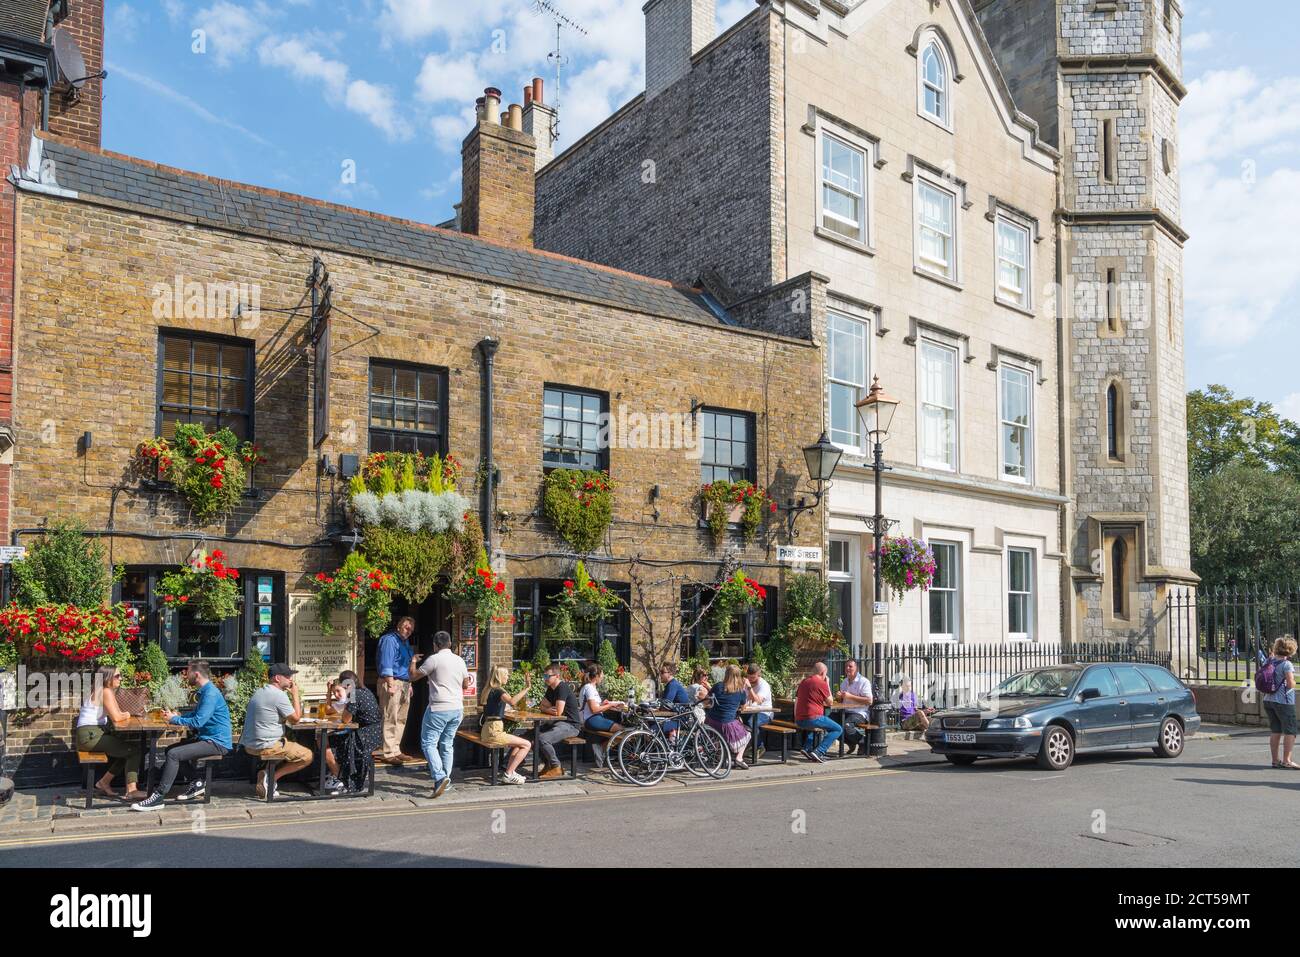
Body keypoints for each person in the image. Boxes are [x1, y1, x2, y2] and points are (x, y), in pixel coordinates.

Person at [132, 660, 232, 810]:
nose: (186, 675)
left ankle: (158, 797)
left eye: (188, 671)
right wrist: (178, 715)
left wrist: (174, 719)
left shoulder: (210, 693)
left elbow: (198, 722)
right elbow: (197, 713)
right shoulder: (206, 691)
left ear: (196, 674)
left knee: (173, 754)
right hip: (207, 738)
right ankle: (197, 783)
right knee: (169, 750)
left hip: (217, 742)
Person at [240, 663, 312, 799]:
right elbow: (296, 719)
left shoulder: (260, 691)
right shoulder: (278, 695)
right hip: (266, 745)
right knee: (307, 756)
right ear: (277, 678)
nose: (291, 679)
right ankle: (272, 779)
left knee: (284, 742)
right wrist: (295, 695)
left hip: (250, 744)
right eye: (288, 676)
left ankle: (265, 774)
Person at [413, 630, 470, 798]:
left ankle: (440, 777)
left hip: (439, 708)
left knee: (429, 744)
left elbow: (413, 676)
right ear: (450, 643)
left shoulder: (434, 659)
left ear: (435, 645)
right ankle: (447, 780)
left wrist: (413, 661)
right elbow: (466, 685)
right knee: (447, 744)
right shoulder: (460, 660)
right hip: (457, 709)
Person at [77, 666, 145, 801]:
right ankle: (132, 791)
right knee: (134, 751)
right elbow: (117, 717)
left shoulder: (104, 690)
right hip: (90, 736)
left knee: (126, 751)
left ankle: (104, 782)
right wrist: (128, 714)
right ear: (107, 678)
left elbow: (118, 713)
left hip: (89, 734)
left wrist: (122, 714)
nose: (120, 678)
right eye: (117, 676)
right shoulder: (105, 691)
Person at [322, 671, 382, 793]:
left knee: (324, 741)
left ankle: (342, 779)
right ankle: (338, 776)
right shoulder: (364, 691)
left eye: (344, 687)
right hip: (373, 732)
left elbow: (345, 719)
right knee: (327, 739)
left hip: (367, 735)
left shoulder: (355, 695)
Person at [479, 666, 532, 785]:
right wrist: (527, 688)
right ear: (500, 676)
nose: (508, 677)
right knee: (527, 744)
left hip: (487, 729)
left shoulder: (489, 689)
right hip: (494, 731)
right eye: (507, 674)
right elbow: (512, 702)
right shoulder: (499, 690)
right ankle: (508, 774)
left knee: (518, 745)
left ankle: (511, 772)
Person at [375, 616, 416, 765]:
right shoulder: (389, 640)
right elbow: (386, 662)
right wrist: (390, 684)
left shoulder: (405, 643)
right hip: (392, 681)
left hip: (404, 682)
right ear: (398, 626)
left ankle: (395, 750)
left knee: (401, 718)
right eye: (406, 627)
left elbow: (405, 666)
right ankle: (386, 752)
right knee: (389, 716)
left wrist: (409, 684)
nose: (408, 631)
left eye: (411, 629)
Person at [533, 664, 582, 780]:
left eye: (547, 676)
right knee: (533, 736)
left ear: (557, 676)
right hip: (558, 724)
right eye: (544, 676)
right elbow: (542, 705)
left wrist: (547, 709)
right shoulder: (551, 688)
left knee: (542, 739)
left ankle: (556, 767)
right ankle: (548, 765)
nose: (545, 678)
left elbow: (558, 712)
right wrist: (546, 709)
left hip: (571, 726)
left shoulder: (562, 688)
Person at [705, 664, 752, 770]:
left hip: (711, 721)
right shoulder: (741, 691)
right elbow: (743, 707)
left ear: (726, 674)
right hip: (727, 723)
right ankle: (739, 758)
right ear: (738, 675)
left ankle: (721, 757)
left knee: (719, 737)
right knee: (748, 733)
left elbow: (707, 700)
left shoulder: (718, 686)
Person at [1261, 636, 1298, 769]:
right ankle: (1287, 760)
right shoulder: (1286, 664)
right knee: (1290, 730)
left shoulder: (1269, 660)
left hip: (1268, 700)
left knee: (1275, 730)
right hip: (1284, 701)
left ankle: (1275, 760)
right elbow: (1290, 684)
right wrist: (1294, 682)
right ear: (1291, 650)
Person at [795, 662, 841, 763]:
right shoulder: (820, 683)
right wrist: (827, 683)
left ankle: (806, 748)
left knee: (817, 725)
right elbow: (830, 702)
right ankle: (819, 751)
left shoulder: (804, 682)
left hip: (799, 720)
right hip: (813, 718)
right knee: (837, 729)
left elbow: (797, 699)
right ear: (823, 672)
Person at [837, 659, 874, 755]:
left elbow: (869, 700)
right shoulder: (844, 682)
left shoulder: (863, 681)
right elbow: (841, 701)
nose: (847, 668)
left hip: (859, 713)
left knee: (846, 725)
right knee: (829, 722)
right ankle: (851, 743)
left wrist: (850, 696)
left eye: (850, 666)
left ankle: (863, 742)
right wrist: (839, 697)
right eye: (846, 667)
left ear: (856, 668)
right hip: (846, 711)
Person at [579, 665, 626, 734]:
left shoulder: (590, 687)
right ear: (596, 676)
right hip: (591, 719)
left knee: (617, 731)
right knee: (622, 729)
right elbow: (594, 710)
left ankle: (605, 745)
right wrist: (610, 705)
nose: (602, 677)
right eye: (602, 674)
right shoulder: (589, 688)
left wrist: (602, 704)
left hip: (592, 718)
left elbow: (590, 706)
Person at [744, 663, 774, 752]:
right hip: (750, 712)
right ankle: (746, 746)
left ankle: (759, 746)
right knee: (736, 720)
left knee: (751, 722)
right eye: (749, 677)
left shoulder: (764, 685)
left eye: (753, 678)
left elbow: (758, 700)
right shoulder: (747, 683)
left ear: (759, 675)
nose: (751, 680)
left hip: (765, 713)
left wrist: (749, 688)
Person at [658, 663, 693, 738]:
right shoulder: (670, 684)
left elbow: (665, 706)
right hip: (676, 718)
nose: (660, 674)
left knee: (655, 727)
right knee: (651, 723)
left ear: (670, 673)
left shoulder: (672, 685)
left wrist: (655, 710)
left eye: (662, 672)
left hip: (681, 721)